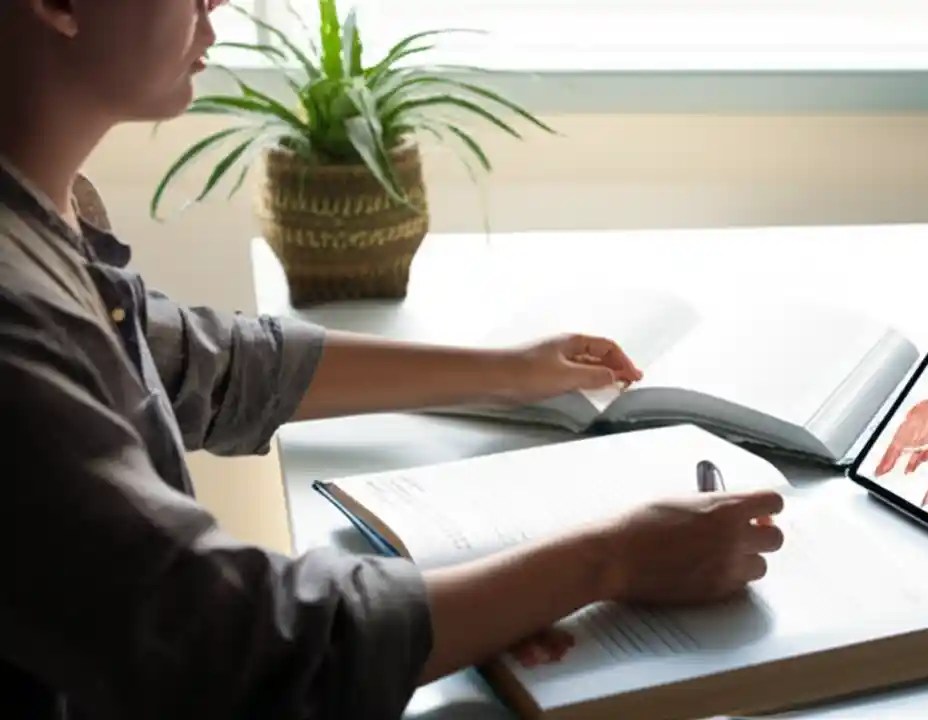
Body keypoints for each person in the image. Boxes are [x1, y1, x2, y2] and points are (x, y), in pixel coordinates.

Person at [0, 2, 786, 718]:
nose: (219, 4)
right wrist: (611, 560)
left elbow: (200, 362)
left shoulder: (44, 217)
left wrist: (509, 372)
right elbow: (221, 637)